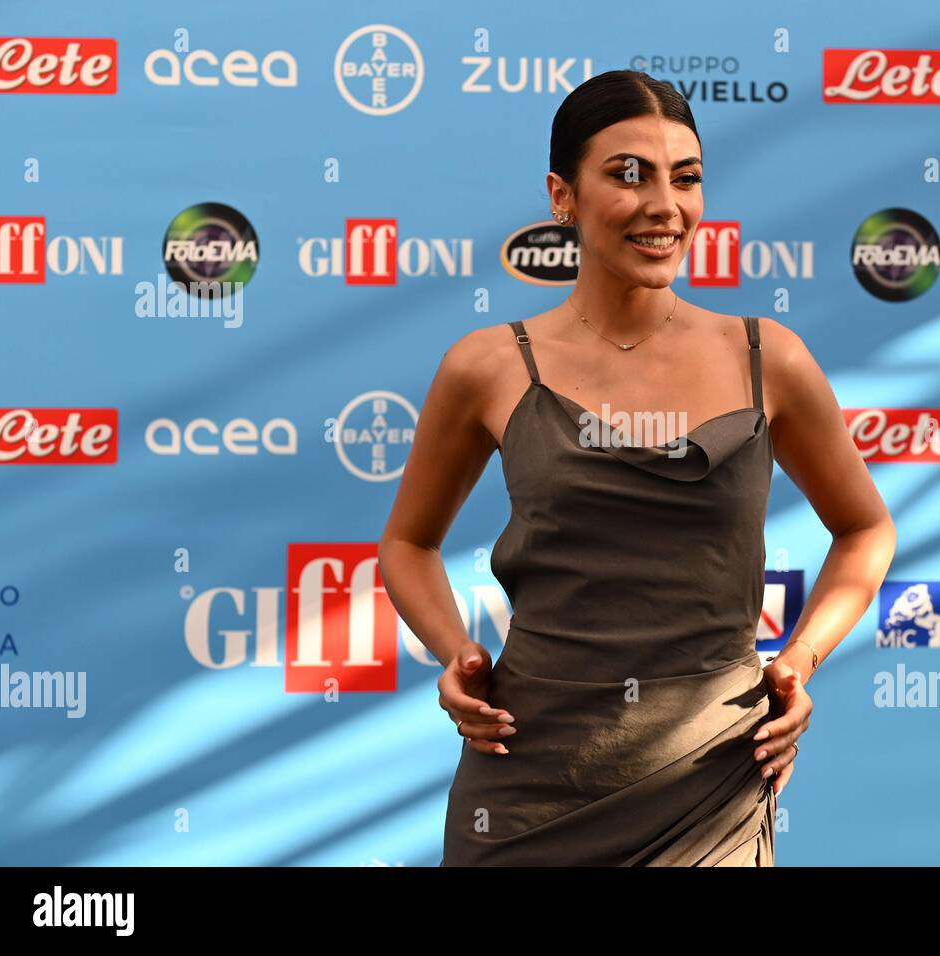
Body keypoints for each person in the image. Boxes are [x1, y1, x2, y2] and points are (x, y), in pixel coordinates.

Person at [377, 70, 896, 866]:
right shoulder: (487, 365)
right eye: (628, 175)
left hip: (712, 781)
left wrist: (797, 660)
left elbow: (865, 529)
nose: (664, 205)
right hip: (527, 787)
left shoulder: (769, 358)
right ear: (562, 197)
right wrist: (457, 657)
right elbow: (407, 546)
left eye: (685, 178)